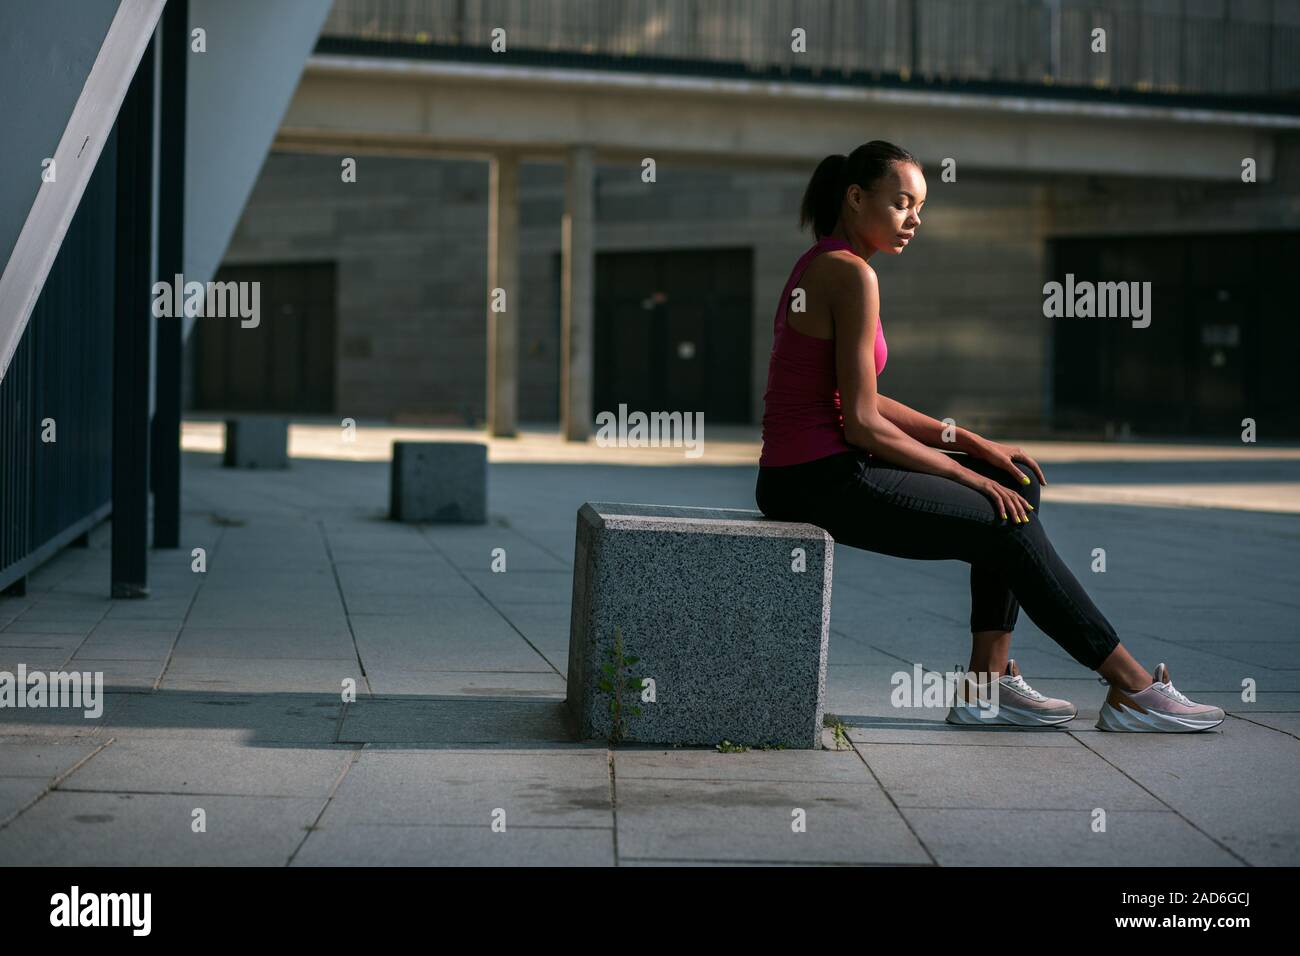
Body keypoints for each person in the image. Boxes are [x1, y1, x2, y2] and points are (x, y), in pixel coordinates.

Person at [754, 141, 1224, 733]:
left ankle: (988, 686)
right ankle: (1131, 685)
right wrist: (959, 472)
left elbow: (859, 398)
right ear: (855, 197)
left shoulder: (831, 263)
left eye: (919, 207)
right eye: (901, 203)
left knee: (1012, 480)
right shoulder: (849, 274)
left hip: (817, 467)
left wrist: (974, 445)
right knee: (1003, 517)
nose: (914, 220)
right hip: (818, 479)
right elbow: (863, 424)